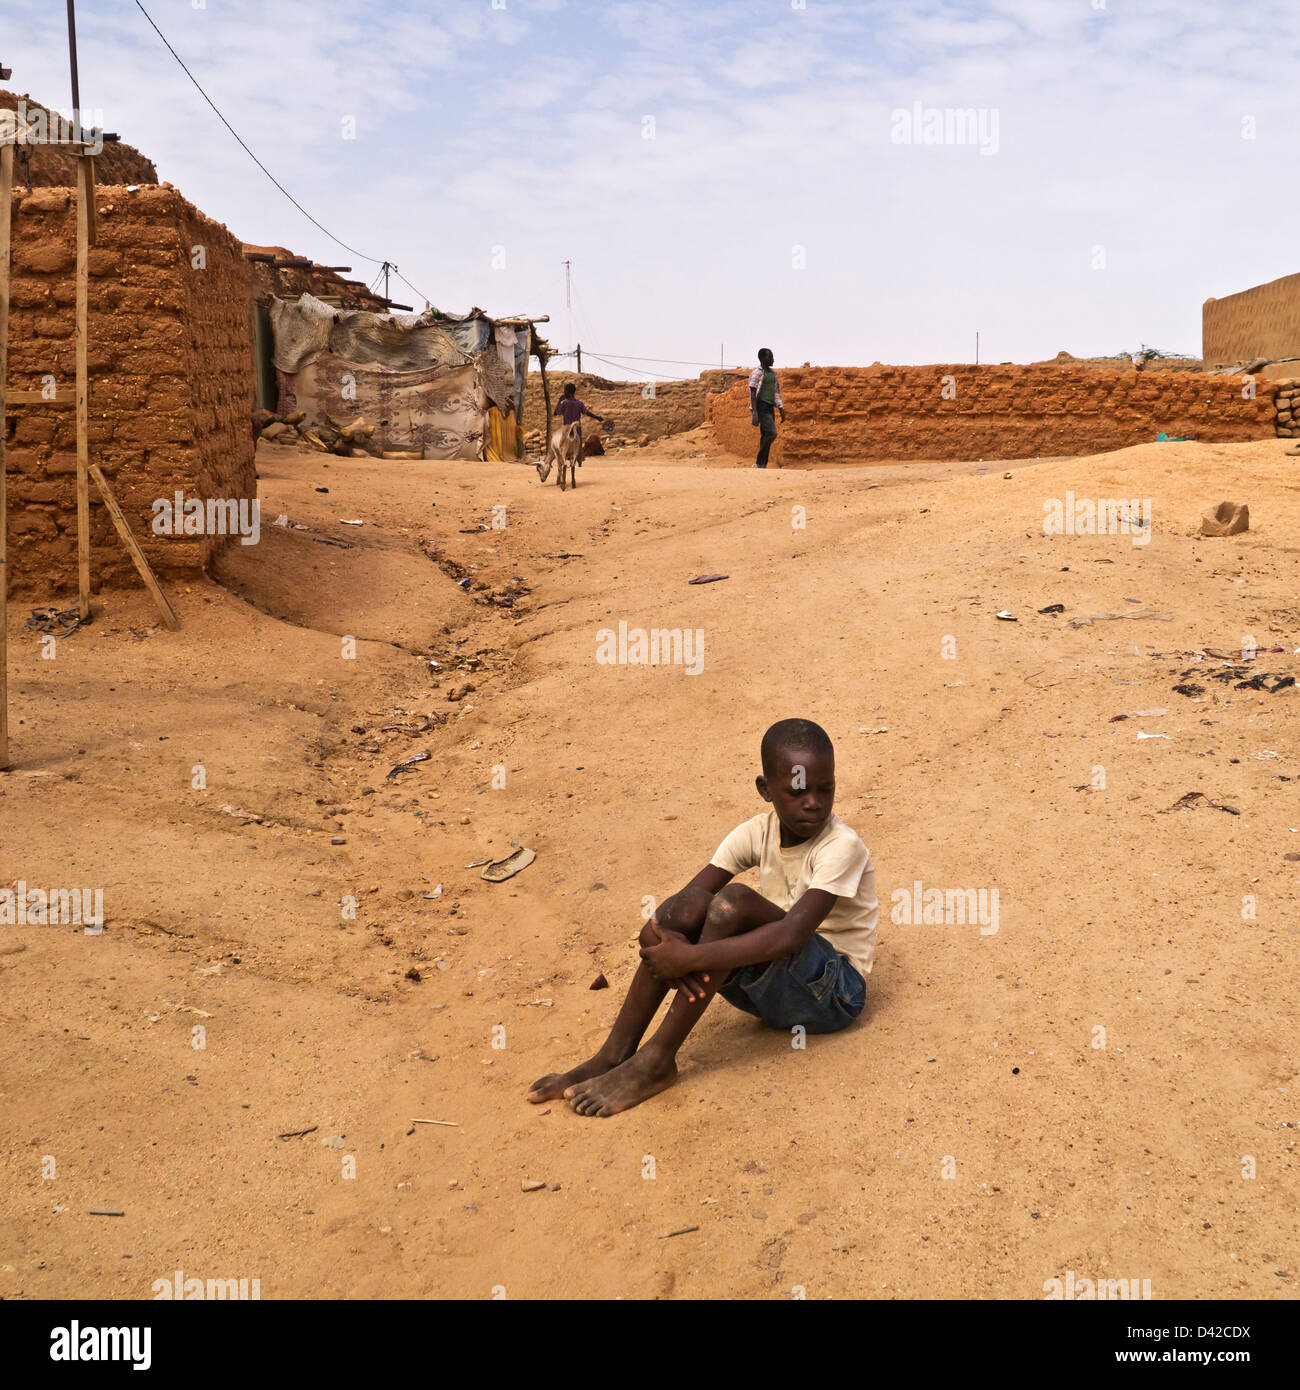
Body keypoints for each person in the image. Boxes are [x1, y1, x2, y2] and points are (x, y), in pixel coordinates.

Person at [527, 719, 877, 1117]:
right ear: (765, 790)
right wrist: (662, 940)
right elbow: (675, 912)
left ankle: (657, 1060)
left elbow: (793, 936)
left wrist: (689, 959)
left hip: (834, 993)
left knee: (733, 904)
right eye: (797, 791)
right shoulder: (754, 832)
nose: (813, 802)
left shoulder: (841, 846)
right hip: (776, 989)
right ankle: (614, 1054)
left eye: (825, 789)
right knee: (692, 905)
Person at [748, 347, 786, 468]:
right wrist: (754, 412)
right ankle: (760, 462)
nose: (773, 359)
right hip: (761, 406)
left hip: (770, 407)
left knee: (765, 435)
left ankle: (761, 465)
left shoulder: (773, 374)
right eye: (770, 357)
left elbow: (776, 392)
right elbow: (753, 393)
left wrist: (780, 409)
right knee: (772, 433)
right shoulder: (757, 373)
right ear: (763, 358)